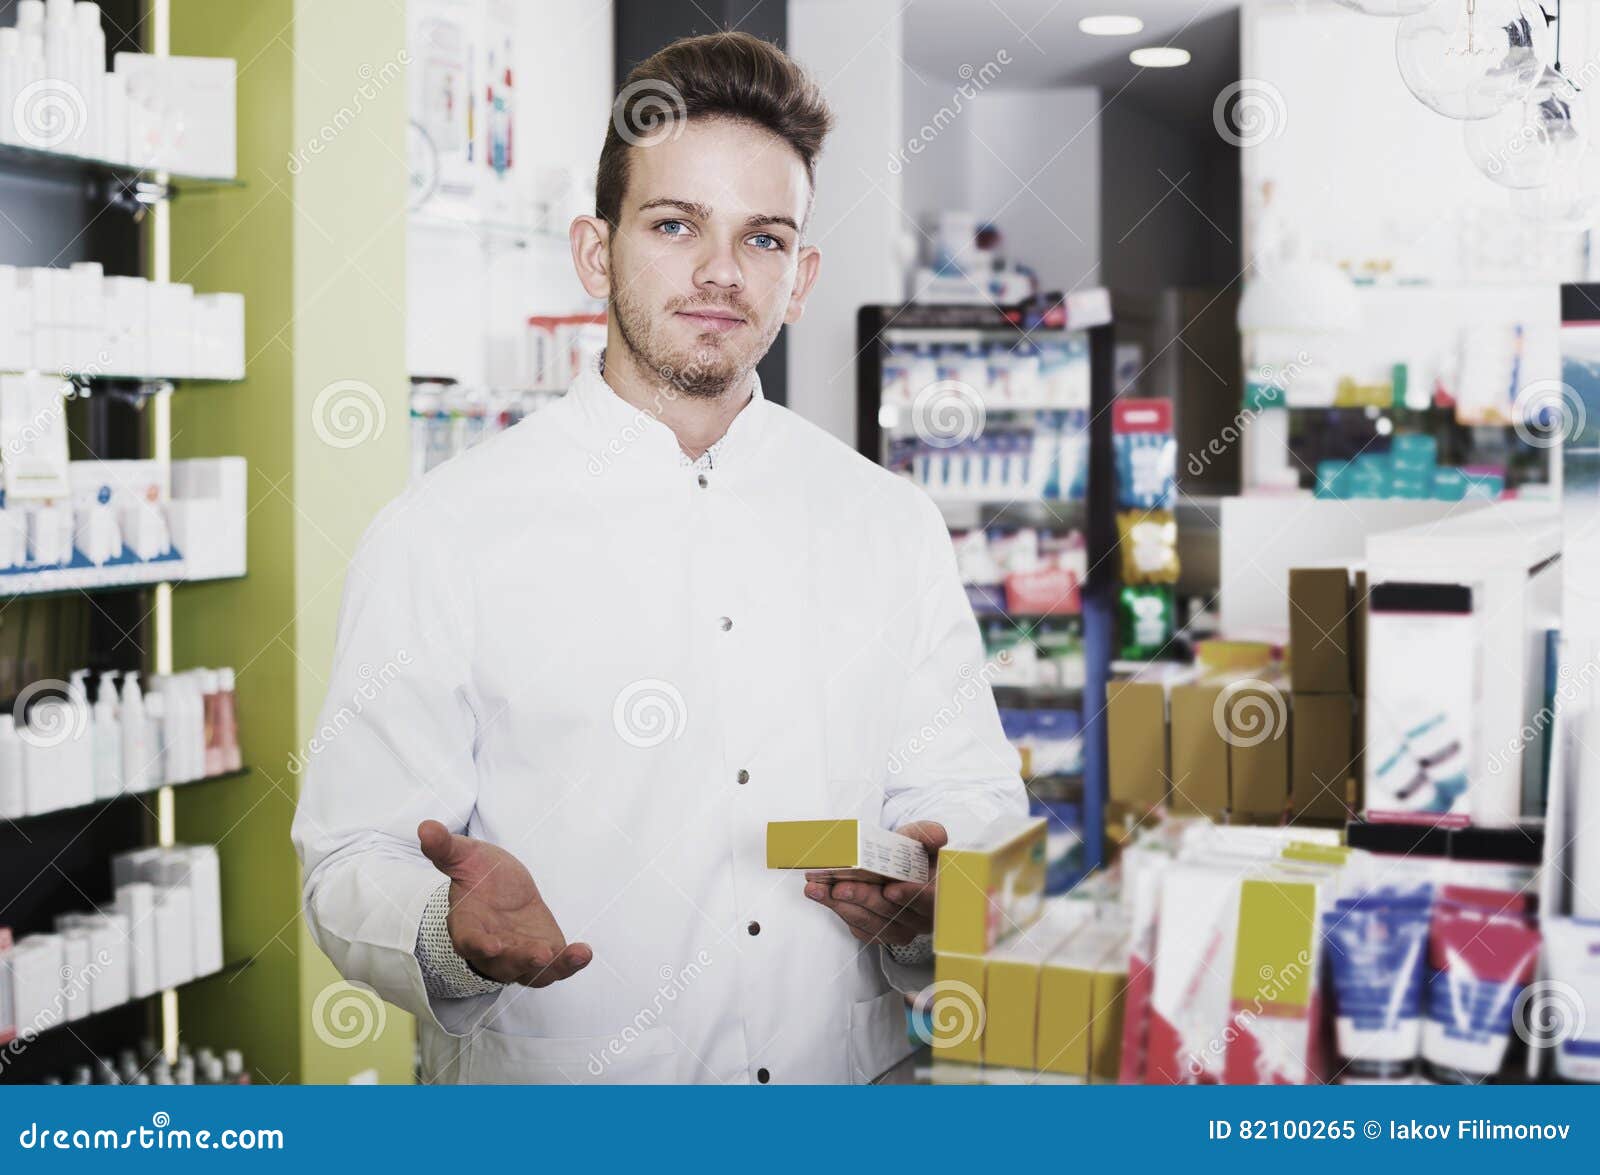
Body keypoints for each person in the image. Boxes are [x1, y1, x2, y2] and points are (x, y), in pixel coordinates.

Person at [291, 30, 1025, 1085]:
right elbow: (352, 857)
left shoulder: (885, 521)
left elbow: (973, 799)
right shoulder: (445, 532)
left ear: (802, 275)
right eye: (675, 224)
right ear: (597, 252)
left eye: (764, 239)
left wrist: (932, 895)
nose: (721, 273)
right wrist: (449, 927)